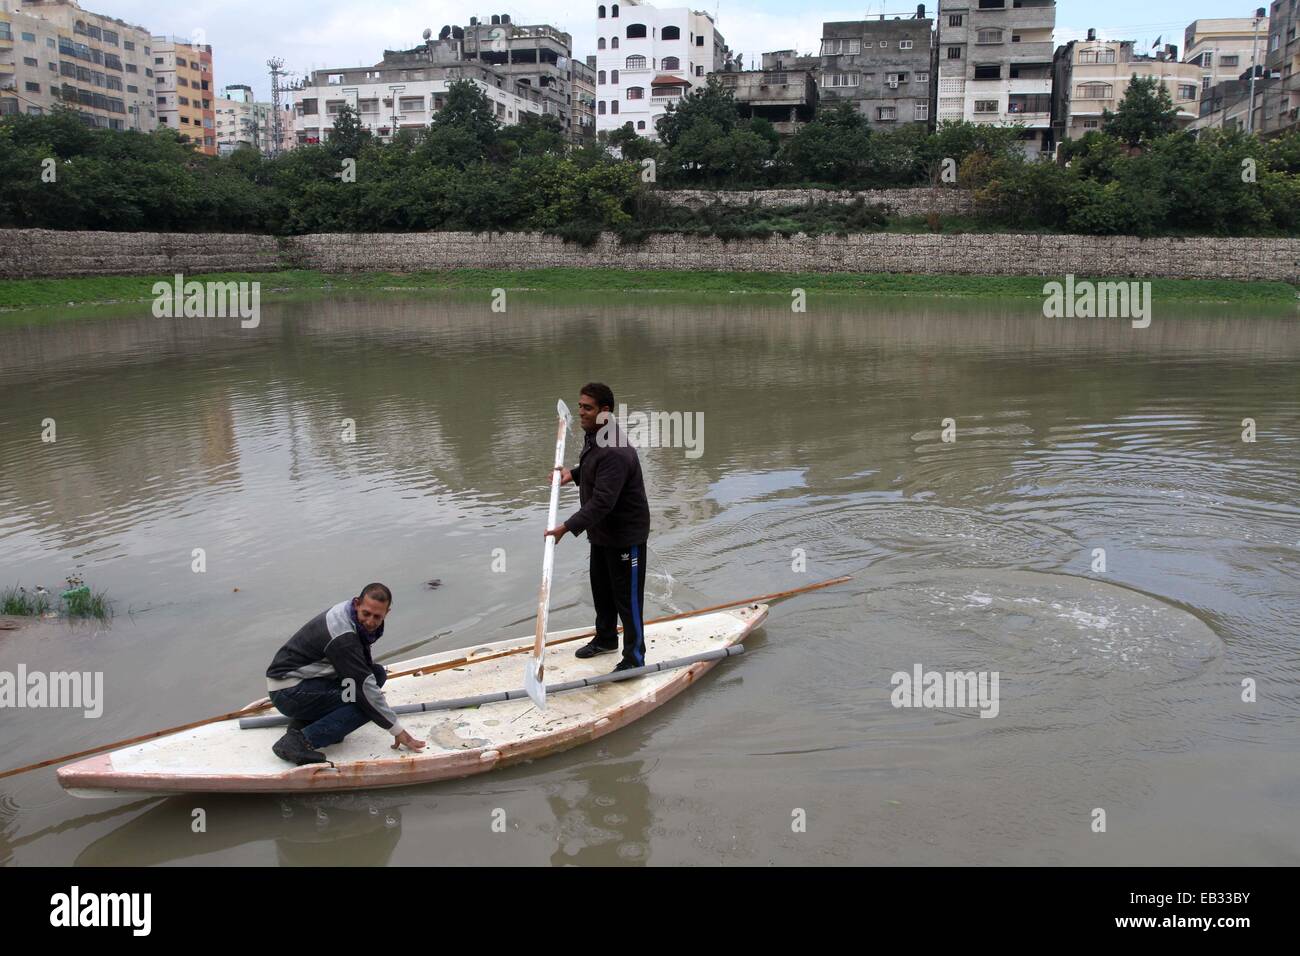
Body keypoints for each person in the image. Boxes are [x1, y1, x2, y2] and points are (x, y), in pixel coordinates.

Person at [544, 382, 652, 672]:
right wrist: (574, 474)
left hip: (625, 535)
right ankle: (606, 638)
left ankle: (635, 658)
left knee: (627, 600)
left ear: (605, 411)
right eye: (579, 406)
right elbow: (595, 470)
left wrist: (565, 528)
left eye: (587, 408)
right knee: (602, 591)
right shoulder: (595, 435)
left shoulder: (615, 449)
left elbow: (603, 501)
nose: (581, 412)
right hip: (602, 533)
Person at [265, 583, 426, 765]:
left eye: (377, 616)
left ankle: (303, 725)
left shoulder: (347, 611)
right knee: (366, 704)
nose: (371, 621)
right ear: (357, 604)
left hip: (307, 682)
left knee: (377, 674)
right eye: (366, 614)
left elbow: (363, 670)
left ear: (386, 613)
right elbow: (363, 688)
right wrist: (397, 730)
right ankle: (297, 742)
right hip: (289, 692)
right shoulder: (342, 636)